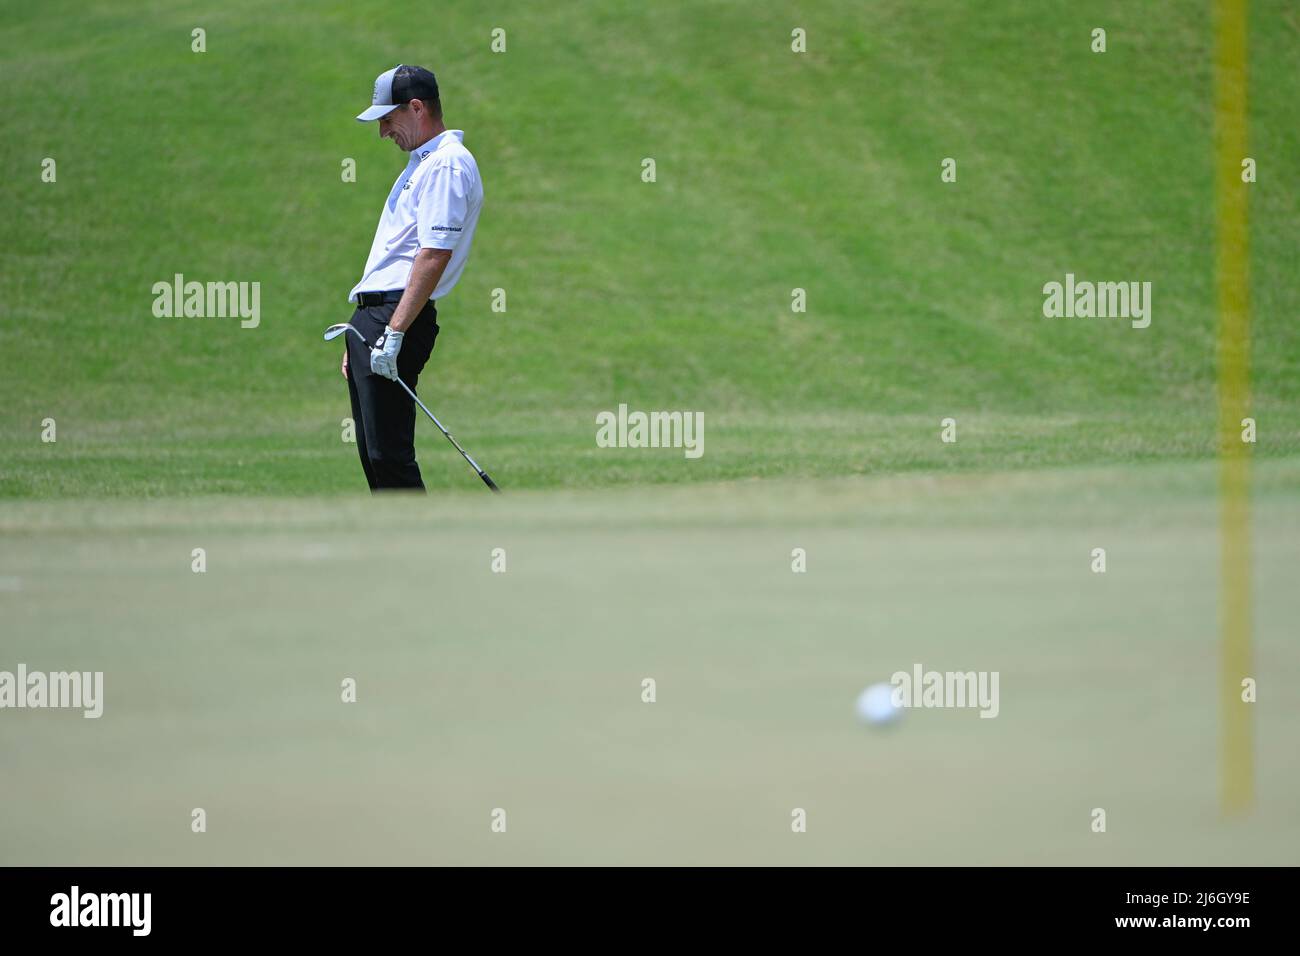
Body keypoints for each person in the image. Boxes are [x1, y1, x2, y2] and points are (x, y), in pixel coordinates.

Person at [343, 64, 484, 490]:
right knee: (374, 452)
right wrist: (359, 329)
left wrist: (395, 330)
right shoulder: (422, 163)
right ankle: (395, 551)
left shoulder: (445, 165)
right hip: (376, 318)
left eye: (388, 119)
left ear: (417, 108)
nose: (383, 132)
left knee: (389, 454)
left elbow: (433, 254)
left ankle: (421, 550)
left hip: (395, 316)